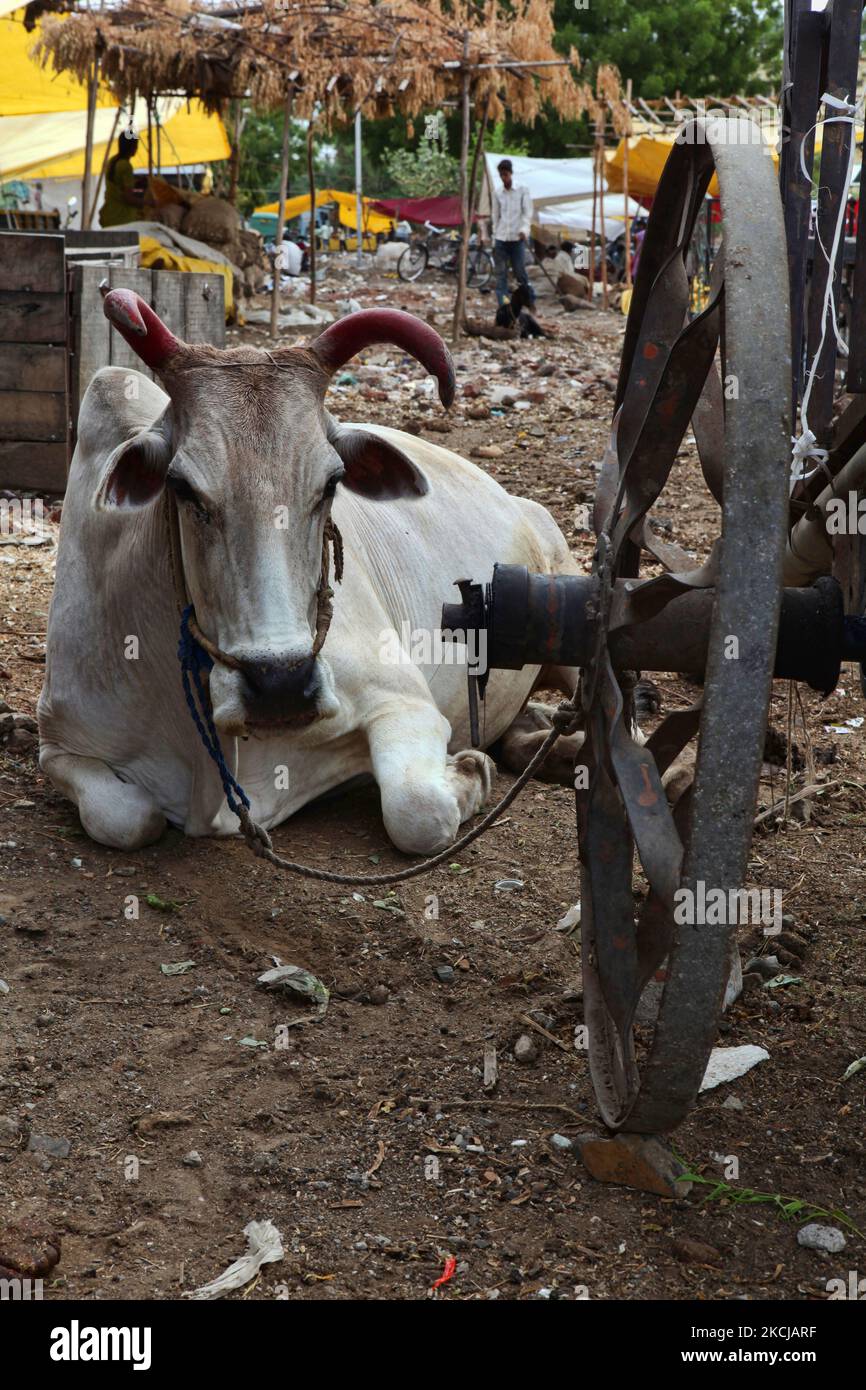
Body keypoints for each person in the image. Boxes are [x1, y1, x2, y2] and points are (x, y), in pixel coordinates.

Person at [491, 158, 535, 307]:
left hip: (517, 238)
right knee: (501, 275)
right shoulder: (497, 192)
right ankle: (504, 305)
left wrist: (524, 230)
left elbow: (527, 213)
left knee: (520, 272)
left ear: (511, 173)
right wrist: (494, 237)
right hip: (501, 238)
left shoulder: (522, 190)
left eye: (506, 175)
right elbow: (495, 216)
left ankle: (529, 301)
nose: (504, 178)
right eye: (501, 175)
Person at [99, 131, 145, 228]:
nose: (136, 148)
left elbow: (117, 186)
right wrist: (148, 203)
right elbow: (128, 197)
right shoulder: (126, 166)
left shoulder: (112, 161)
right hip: (122, 219)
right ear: (131, 147)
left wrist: (134, 183)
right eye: (135, 145)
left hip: (109, 215)